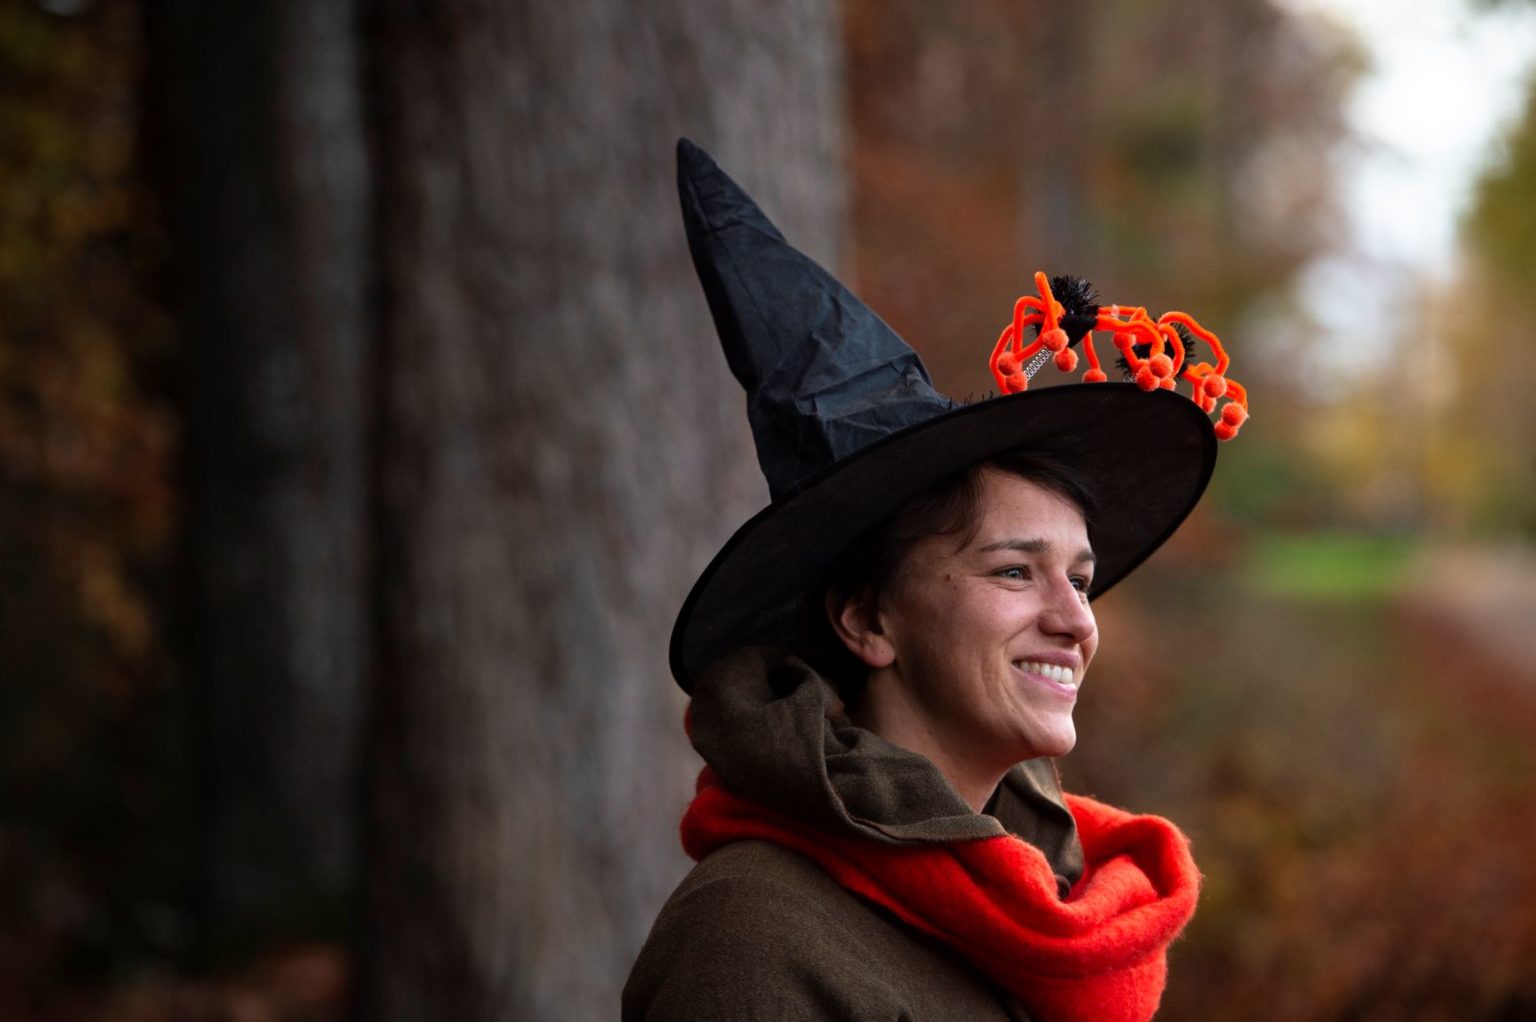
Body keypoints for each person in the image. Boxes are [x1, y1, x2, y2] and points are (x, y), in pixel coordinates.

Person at [622, 140, 1249, 1022]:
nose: (1075, 619)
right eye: (1013, 570)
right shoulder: (754, 945)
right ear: (867, 619)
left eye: (1079, 576)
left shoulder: (1053, 900)